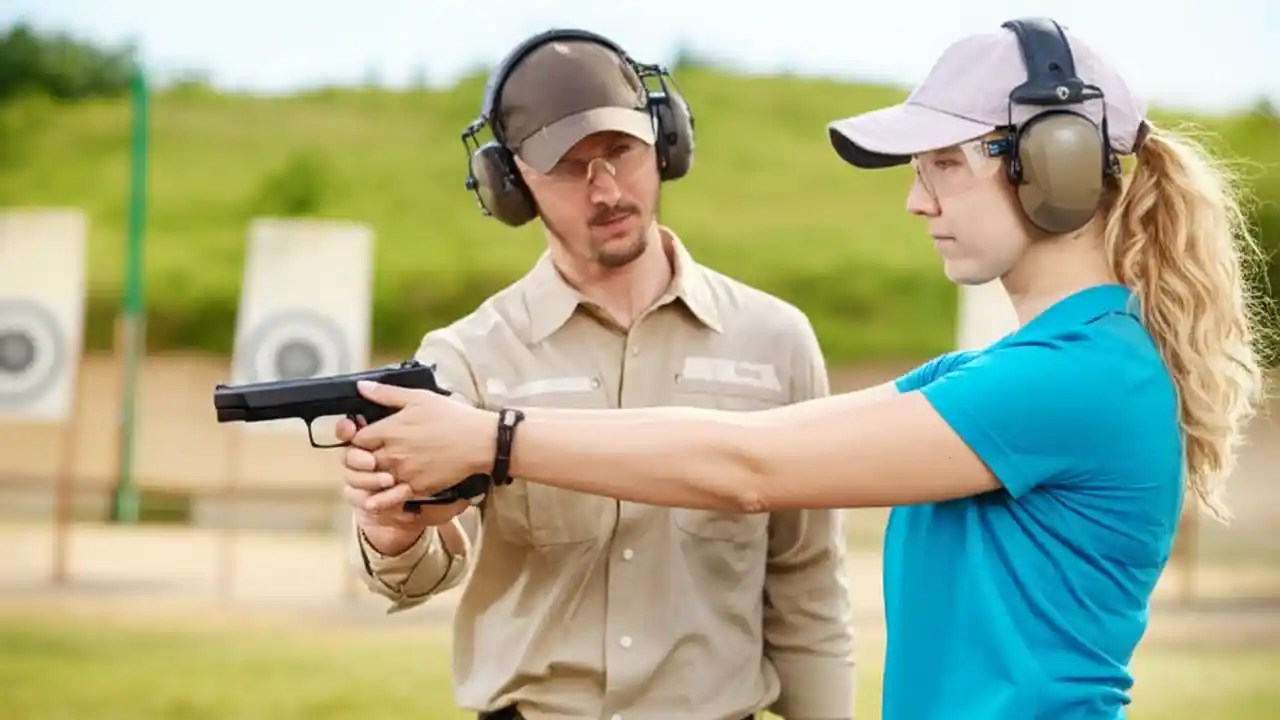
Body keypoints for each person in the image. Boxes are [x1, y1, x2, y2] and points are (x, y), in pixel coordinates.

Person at [344, 17, 1274, 720]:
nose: (917, 199)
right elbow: (751, 441)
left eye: (946, 163)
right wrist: (487, 438)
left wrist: (495, 439)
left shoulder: (1076, 379)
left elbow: (752, 475)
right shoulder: (990, 370)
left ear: (1054, 162)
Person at [339, 28, 856, 720]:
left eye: (621, 152)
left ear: (666, 143)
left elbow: (807, 585)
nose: (606, 189)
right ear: (510, 184)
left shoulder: (776, 341)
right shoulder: (467, 353)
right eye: (567, 166)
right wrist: (394, 532)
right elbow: (424, 571)